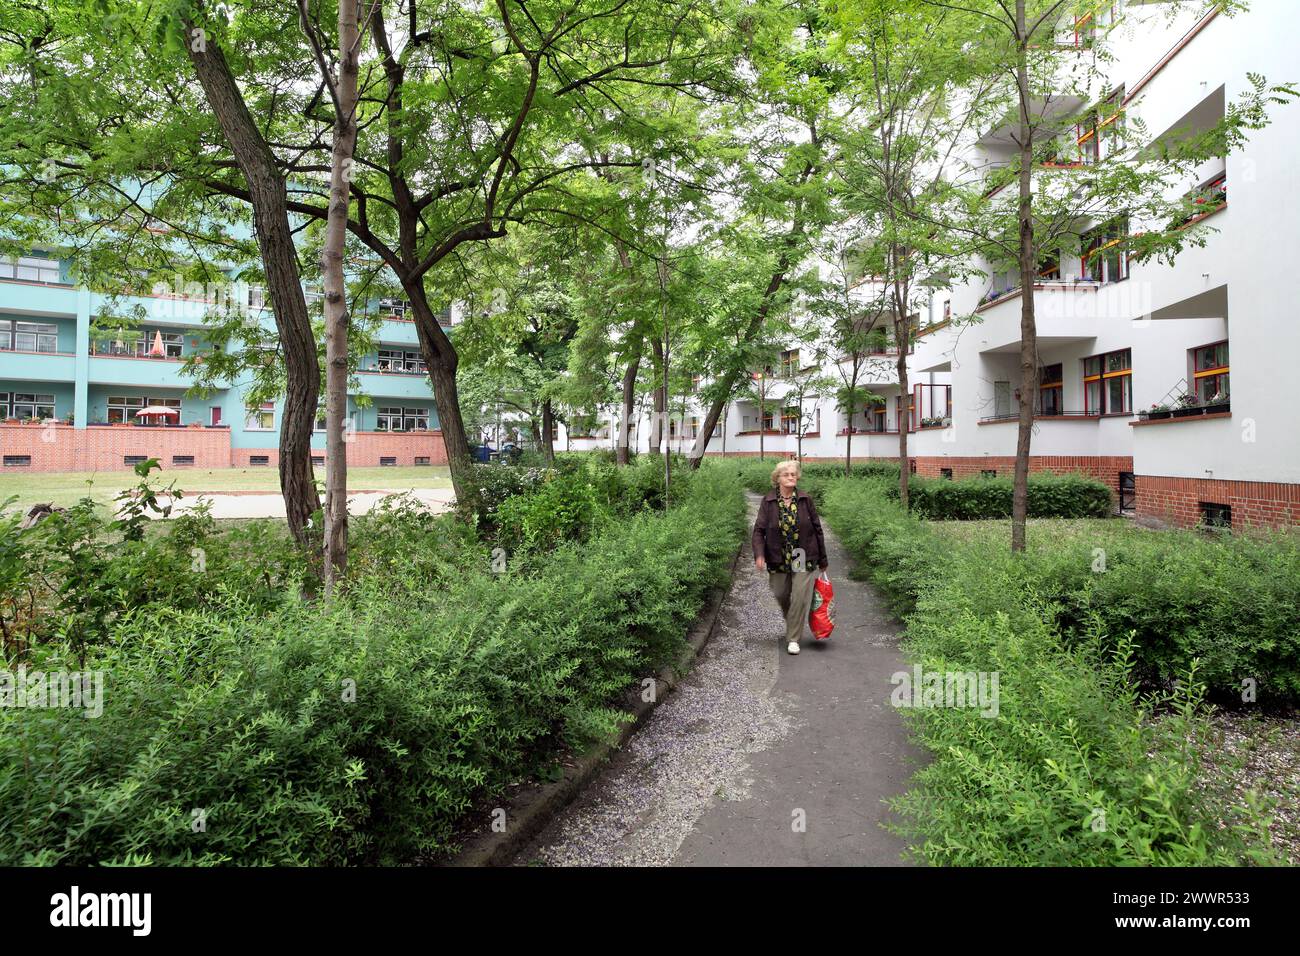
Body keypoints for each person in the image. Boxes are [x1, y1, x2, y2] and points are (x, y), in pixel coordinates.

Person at [752, 460, 828, 655]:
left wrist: (823, 560)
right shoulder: (768, 501)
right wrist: (759, 555)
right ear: (778, 478)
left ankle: (793, 638)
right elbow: (759, 531)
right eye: (787, 475)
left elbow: (817, 528)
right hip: (777, 555)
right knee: (780, 593)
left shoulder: (805, 499)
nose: (791, 477)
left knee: (799, 596)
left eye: (794, 474)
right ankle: (793, 621)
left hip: (800, 554)